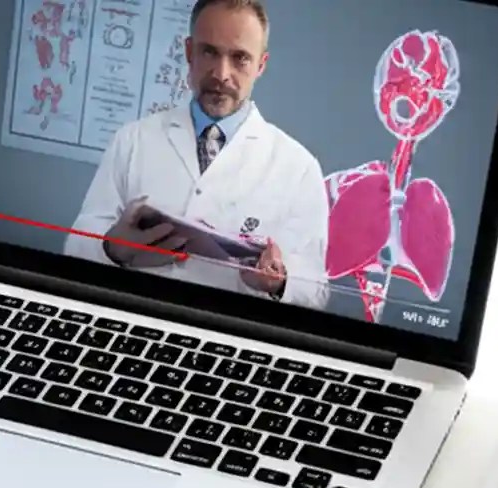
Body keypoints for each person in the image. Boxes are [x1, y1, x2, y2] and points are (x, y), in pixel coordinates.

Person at [62, 0, 330, 309]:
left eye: (240, 58)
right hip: (133, 315)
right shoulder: (133, 139)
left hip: (230, 328)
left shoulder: (299, 168)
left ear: (260, 65)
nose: (221, 74)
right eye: (209, 52)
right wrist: (112, 248)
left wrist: (279, 282)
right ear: (190, 52)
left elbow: (317, 292)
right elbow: (74, 248)